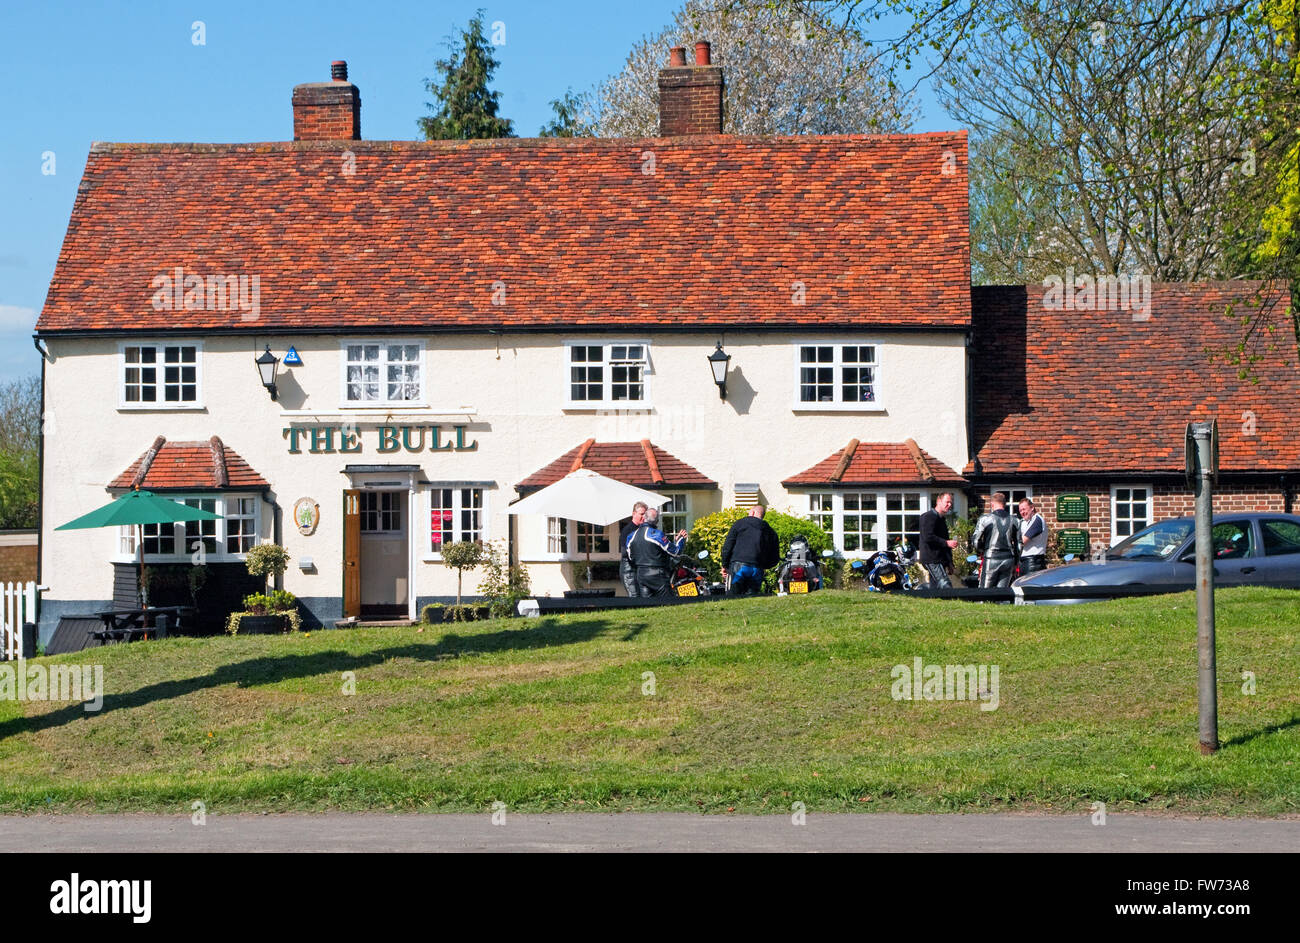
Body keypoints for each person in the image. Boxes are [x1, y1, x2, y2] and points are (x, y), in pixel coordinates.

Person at [720, 505, 780, 596]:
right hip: (757, 569)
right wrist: (764, 566)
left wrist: (725, 565)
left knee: (732, 597)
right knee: (752, 598)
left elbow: (728, 546)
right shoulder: (770, 532)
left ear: (752, 513)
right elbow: (775, 557)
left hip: (738, 567)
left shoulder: (739, 524)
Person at [629, 506, 687, 597]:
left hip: (641, 573)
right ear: (657, 521)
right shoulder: (657, 534)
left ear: (644, 518)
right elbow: (675, 552)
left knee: (647, 605)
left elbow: (631, 557)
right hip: (657, 573)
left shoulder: (632, 536)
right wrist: (681, 540)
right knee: (669, 603)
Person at [973, 492, 1021, 588]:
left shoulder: (985, 519)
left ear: (992, 504)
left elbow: (976, 541)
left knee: (984, 592)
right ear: (1004, 504)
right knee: (1002, 593)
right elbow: (1019, 545)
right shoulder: (1016, 520)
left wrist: (983, 549)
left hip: (991, 557)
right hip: (1008, 559)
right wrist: (1016, 562)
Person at [918, 492, 959, 588]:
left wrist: (949, 563)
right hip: (932, 559)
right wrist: (946, 543)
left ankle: (933, 602)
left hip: (940, 559)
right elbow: (928, 536)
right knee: (945, 585)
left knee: (936, 587)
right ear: (938, 501)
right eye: (947, 502)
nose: (949, 505)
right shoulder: (928, 517)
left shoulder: (941, 519)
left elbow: (945, 542)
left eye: (951, 503)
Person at [618, 501, 648, 597]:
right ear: (634, 514)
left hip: (639, 569)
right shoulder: (627, 530)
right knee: (635, 598)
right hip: (629, 570)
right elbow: (624, 553)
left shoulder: (643, 530)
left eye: (645, 514)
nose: (644, 517)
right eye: (641, 514)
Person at [1017, 498, 1048, 575]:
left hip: (1033, 564)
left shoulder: (1037, 520)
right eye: (1020, 510)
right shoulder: (1025, 522)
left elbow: (1022, 541)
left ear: (1032, 507)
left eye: (1024, 509)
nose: (1022, 512)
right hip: (1026, 562)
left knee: (1029, 587)